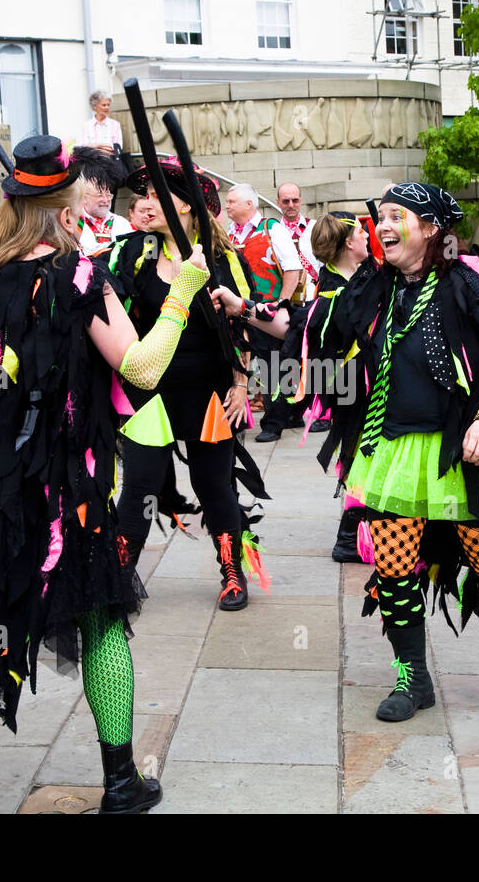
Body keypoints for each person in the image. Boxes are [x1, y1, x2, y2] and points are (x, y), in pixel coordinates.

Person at [0, 135, 211, 814]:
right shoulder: (81, 278)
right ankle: (120, 785)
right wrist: (182, 295)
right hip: (60, 493)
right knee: (102, 623)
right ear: (67, 200)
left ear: (8, 200)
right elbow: (140, 368)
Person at [305, 183, 479, 723]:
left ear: (432, 229)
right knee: (394, 571)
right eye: (381, 218)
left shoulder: (468, 282)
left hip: (462, 456)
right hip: (390, 449)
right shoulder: (375, 286)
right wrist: (239, 306)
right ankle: (411, 677)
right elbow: (322, 343)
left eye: (398, 216)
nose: (384, 226)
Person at [105, 158, 268, 612]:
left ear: (191, 207)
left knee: (215, 485)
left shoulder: (222, 258)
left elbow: (241, 326)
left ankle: (233, 572)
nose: (145, 203)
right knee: (139, 487)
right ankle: (118, 579)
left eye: (159, 194)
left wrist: (240, 383)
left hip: (209, 392)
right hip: (148, 395)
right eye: (144, 195)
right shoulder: (129, 252)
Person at [212, 211, 374, 563]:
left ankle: (355, 536)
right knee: (363, 459)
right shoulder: (334, 293)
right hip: (361, 393)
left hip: (374, 389)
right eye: (362, 232)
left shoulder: (365, 278)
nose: (367, 236)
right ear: (348, 243)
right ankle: (350, 539)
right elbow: (295, 328)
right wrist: (242, 307)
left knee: (365, 459)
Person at [223, 184, 303, 442]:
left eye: (232, 201)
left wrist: (282, 303)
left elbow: (292, 268)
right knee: (238, 364)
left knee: (274, 367)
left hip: (268, 311)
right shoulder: (228, 235)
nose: (227, 205)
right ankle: (240, 417)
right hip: (238, 311)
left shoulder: (271, 229)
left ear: (249, 204)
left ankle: (274, 422)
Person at [75, 149, 133, 256]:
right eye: (99, 195)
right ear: (84, 197)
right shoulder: (74, 224)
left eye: (108, 195)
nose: (106, 200)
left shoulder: (122, 224)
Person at [82, 90, 123, 157]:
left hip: (111, 163)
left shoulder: (115, 125)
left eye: (108, 105)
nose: (107, 107)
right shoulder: (86, 126)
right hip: (92, 164)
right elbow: (83, 147)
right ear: (95, 106)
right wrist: (103, 147)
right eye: (104, 105)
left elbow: (118, 147)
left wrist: (95, 146)